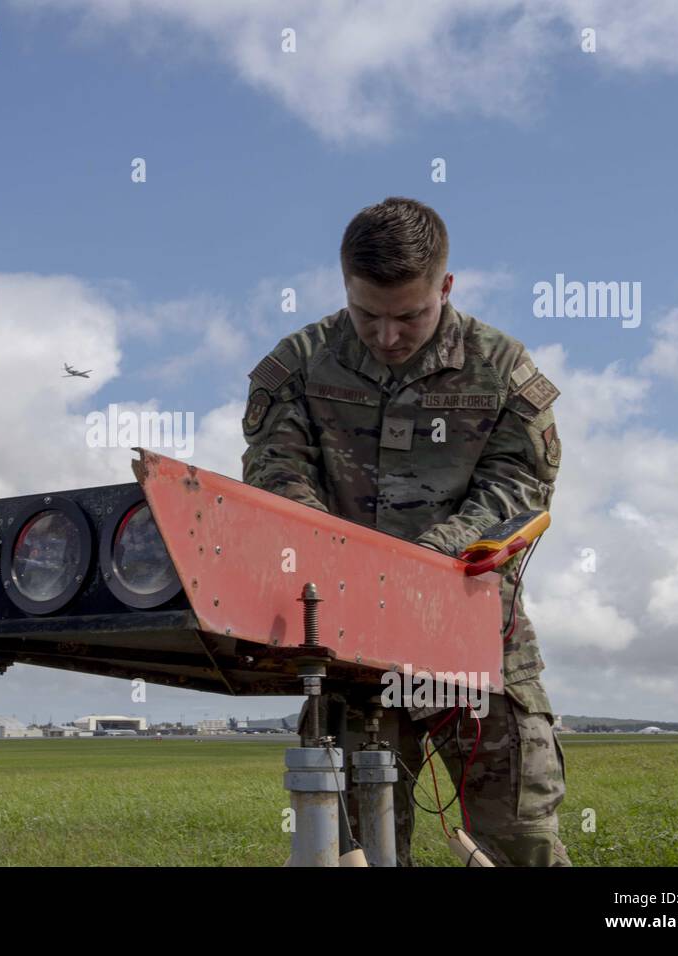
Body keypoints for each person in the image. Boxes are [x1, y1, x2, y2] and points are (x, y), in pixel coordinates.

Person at [242, 197, 570, 867]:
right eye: (368, 316)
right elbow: (275, 480)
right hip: (345, 647)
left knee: (522, 840)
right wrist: (352, 565)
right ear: (344, 289)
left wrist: (427, 558)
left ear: (445, 287)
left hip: (475, 643)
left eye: (410, 316)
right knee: (351, 849)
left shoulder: (500, 368)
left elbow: (518, 489)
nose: (388, 336)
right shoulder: (300, 367)